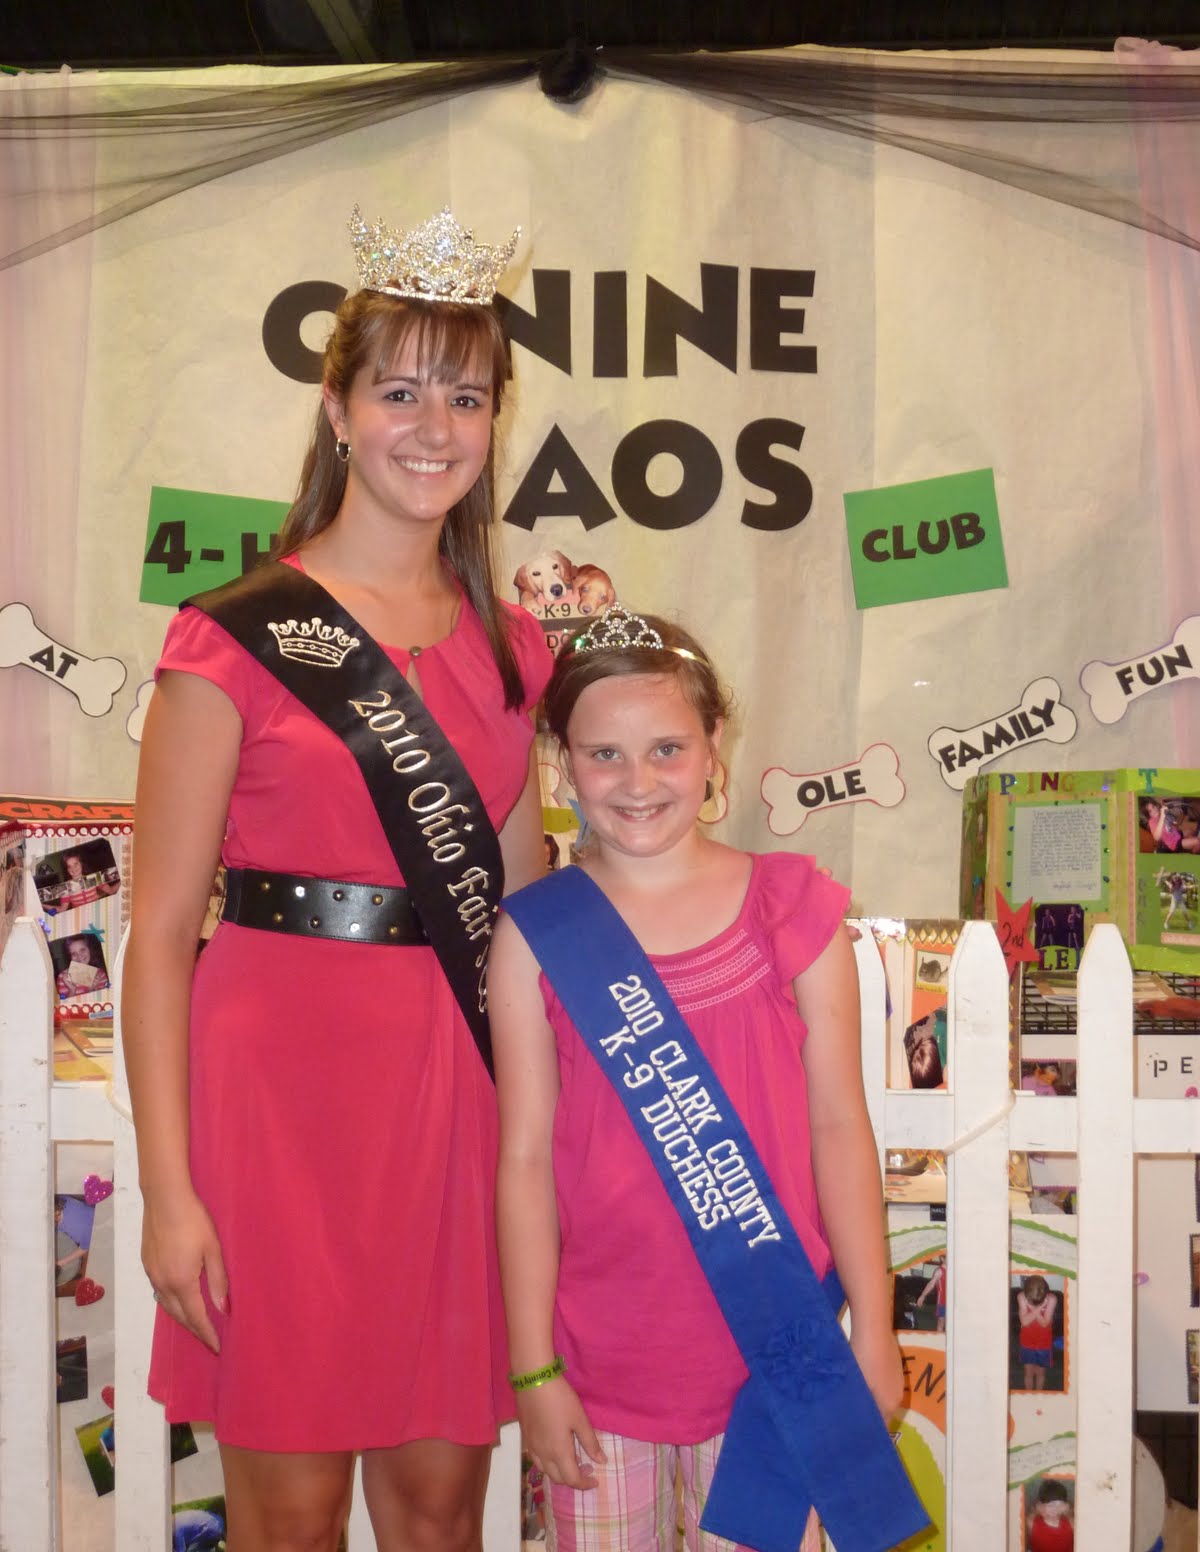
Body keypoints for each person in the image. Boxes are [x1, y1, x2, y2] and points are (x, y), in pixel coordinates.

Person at [122, 205, 551, 1552]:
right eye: (402, 388)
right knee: (290, 1517)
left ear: (495, 425)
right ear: (339, 407)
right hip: (279, 1107)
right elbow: (153, 937)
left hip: (455, 1101)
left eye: (466, 396)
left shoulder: (516, 648)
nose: (434, 426)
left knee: (439, 1514)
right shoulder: (231, 639)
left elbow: (531, 914)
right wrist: (169, 1192)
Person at [490, 609, 912, 1552]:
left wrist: (875, 1333)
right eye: (604, 755)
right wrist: (533, 1370)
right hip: (599, 1372)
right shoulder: (534, 936)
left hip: (774, 1370)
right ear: (562, 763)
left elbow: (841, 1127)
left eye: (668, 748)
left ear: (714, 745)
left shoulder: (791, 909)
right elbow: (522, 1159)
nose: (638, 783)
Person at [1017, 1275, 1057, 1392]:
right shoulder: (1021, 1296)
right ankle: (1029, 1396)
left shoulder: (1052, 1298)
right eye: (1031, 1302)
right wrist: (1040, 1308)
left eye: (1037, 1303)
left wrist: (1034, 1308)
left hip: (1043, 1344)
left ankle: (1038, 1396)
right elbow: (1024, 1322)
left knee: (1040, 1373)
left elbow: (1044, 1324)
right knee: (1028, 1373)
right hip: (1027, 1342)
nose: (1034, 1304)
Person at [1027, 1477, 1073, 1551]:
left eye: (1059, 1505)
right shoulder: (1031, 1522)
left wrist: (1068, 1510)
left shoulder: (1070, 1522)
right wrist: (1038, 1509)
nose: (1055, 1509)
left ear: (1065, 1506)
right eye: (1050, 1505)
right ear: (1041, 1505)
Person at [915, 1255, 946, 1332]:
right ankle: (939, 1341)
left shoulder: (953, 1270)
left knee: (951, 1323)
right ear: (942, 1259)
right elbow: (931, 1284)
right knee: (941, 1322)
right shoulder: (939, 1271)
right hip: (942, 1301)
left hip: (952, 1301)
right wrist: (922, 1296)